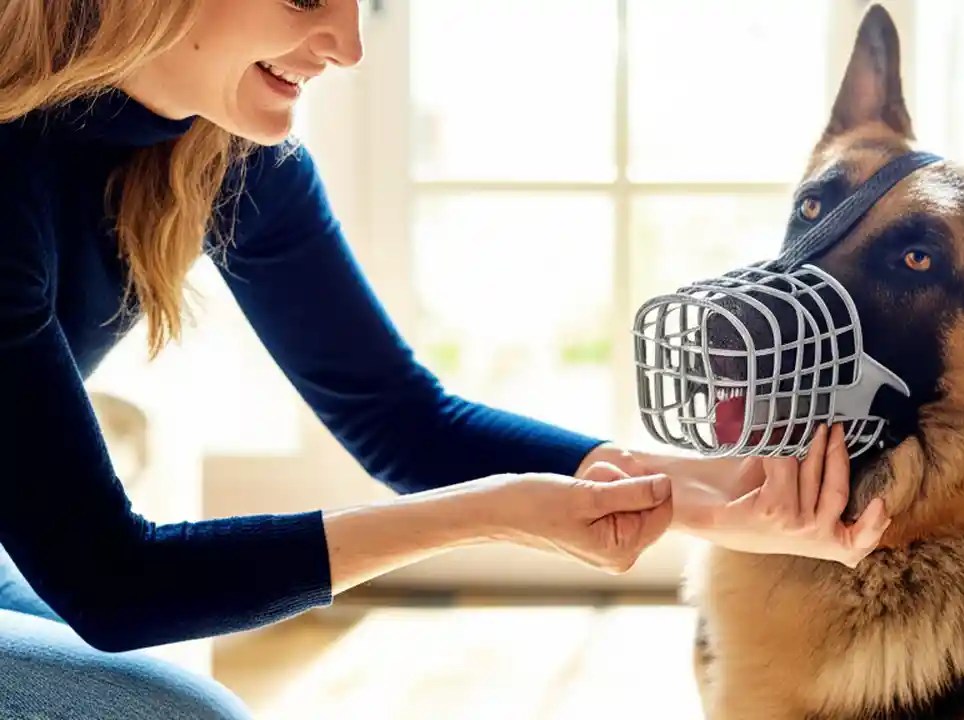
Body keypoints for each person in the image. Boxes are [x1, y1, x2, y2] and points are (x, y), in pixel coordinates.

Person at [0, 1, 890, 717]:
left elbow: (400, 416)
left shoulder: (225, 151)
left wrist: (713, 494)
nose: (348, 44)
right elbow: (111, 583)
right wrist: (487, 515)